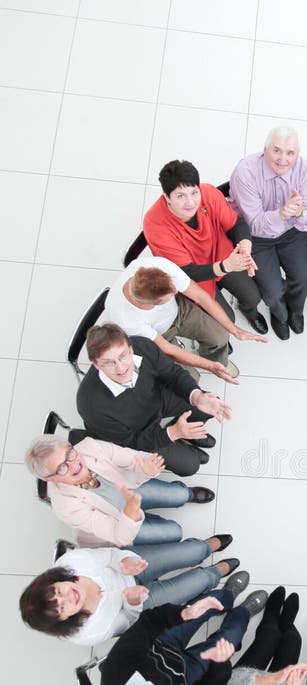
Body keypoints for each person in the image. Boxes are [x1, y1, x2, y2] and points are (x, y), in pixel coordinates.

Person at [99, 576, 265, 685]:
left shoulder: (114, 672)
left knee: (204, 605)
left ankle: (227, 595)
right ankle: (243, 612)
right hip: (188, 675)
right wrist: (219, 663)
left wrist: (182, 614)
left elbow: (147, 624)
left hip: (161, 643)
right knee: (231, 636)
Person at [19, 537, 238, 646]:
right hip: (138, 603)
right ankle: (215, 573)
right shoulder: (89, 632)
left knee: (191, 551)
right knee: (197, 582)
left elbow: (110, 555)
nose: (68, 596)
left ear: (55, 581)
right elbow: (129, 622)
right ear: (64, 619)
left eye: (58, 590)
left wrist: (124, 562)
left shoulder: (71, 563)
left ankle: (205, 547)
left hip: (127, 567)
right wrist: (133, 601)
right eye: (62, 607)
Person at [77, 324, 233, 477]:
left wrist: (198, 397)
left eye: (123, 355)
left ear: (131, 347)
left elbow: (173, 374)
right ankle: (177, 434)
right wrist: (171, 434)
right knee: (190, 465)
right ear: (96, 365)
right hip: (140, 431)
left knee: (209, 405)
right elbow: (129, 443)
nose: (120, 368)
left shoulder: (142, 345)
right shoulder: (90, 405)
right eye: (108, 362)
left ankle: (183, 432)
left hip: (159, 397)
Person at [143, 159, 268, 335]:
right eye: (180, 196)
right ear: (166, 197)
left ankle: (249, 312)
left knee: (253, 297)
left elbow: (236, 224)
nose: (191, 202)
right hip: (194, 276)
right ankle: (217, 337)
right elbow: (187, 272)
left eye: (194, 192)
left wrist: (245, 245)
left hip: (221, 254)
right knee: (225, 321)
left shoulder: (208, 193)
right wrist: (225, 267)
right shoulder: (155, 225)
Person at [26, 435, 216, 548]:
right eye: (61, 468)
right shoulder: (65, 507)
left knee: (178, 494)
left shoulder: (89, 447)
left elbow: (132, 457)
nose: (73, 464)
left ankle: (188, 495)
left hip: (130, 486)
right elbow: (120, 536)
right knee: (174, 532)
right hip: (118, 522)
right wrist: (132, 509)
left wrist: (146, 468)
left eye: (69, 454)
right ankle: (146, 518)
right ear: (48, 479)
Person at [103, 256, 265, 383]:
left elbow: (201, 296)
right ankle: (212, 367)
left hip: (180, 310)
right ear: (148, 304)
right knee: (190, 378)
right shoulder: (126, 320)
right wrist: (209, 367)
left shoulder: (160, 266)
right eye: (166, 298)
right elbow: (167, 348)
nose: (176, 292)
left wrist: (234, 330)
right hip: (157, 337)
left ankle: (218, 361)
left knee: (220, 335)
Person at [230, 127, 307, 340]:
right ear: (265, 149)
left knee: (302, 277)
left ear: (297, 155)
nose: (283, 159)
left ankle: (295, 310)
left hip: (291, 230)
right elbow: (256, 224)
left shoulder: (304, 169)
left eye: (290, 153)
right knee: (272, 290)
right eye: (277, 151)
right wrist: (280, 214)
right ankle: (279, 314)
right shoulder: (246, 171)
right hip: (256, 237)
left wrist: (300, 212)